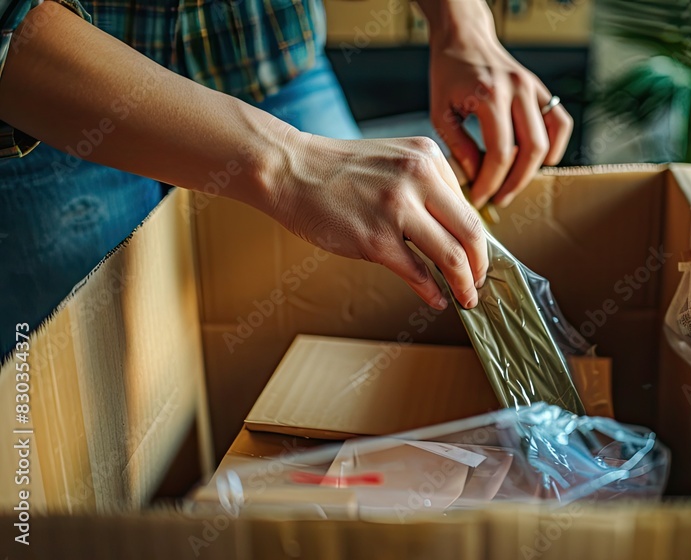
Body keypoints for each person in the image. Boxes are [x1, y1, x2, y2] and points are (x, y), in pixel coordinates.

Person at [0, 0, 573, 357]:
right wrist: (288, 162)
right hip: (57, 107)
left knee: (385, 287)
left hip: (270, 58)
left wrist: (461, 22)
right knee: (74, 406)